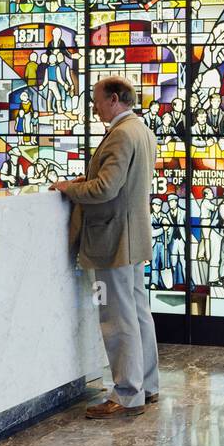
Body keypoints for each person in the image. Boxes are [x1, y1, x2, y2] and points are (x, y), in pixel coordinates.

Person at [51, 76, 160, 419]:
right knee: (138, 312)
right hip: (133, 235)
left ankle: (127, 393)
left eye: (97, 100)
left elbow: (106, 189)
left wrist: (71, 188)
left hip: (111, 239)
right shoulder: (141, 130)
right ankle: (147, 385)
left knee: (116, 317)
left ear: (114, 99)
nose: (94, 107)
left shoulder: (121, 134)